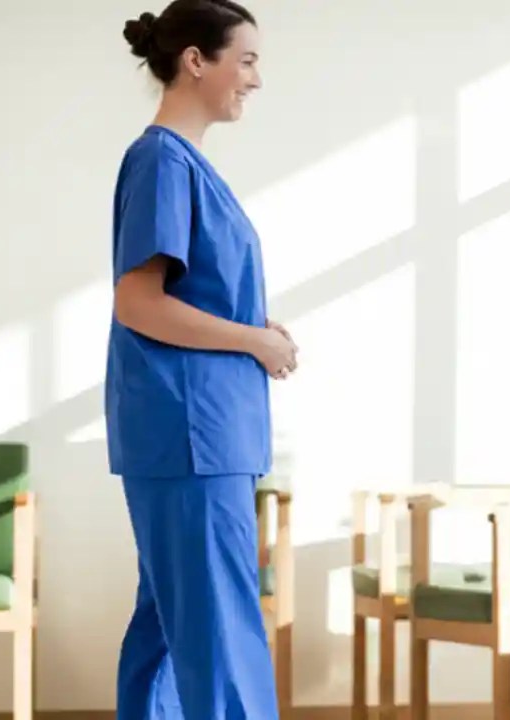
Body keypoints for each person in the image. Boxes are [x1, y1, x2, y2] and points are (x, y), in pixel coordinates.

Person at [106, 1, 295, 717]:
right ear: (196, 60)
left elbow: (185, 295)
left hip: (195, 431)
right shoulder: (161, 159)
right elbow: (139, 302)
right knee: (216, 628)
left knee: (167, 630)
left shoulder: (180, 164)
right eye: (245, 60)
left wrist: (253, 326)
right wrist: (253, 340)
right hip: (193, 435)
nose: (254, 79)